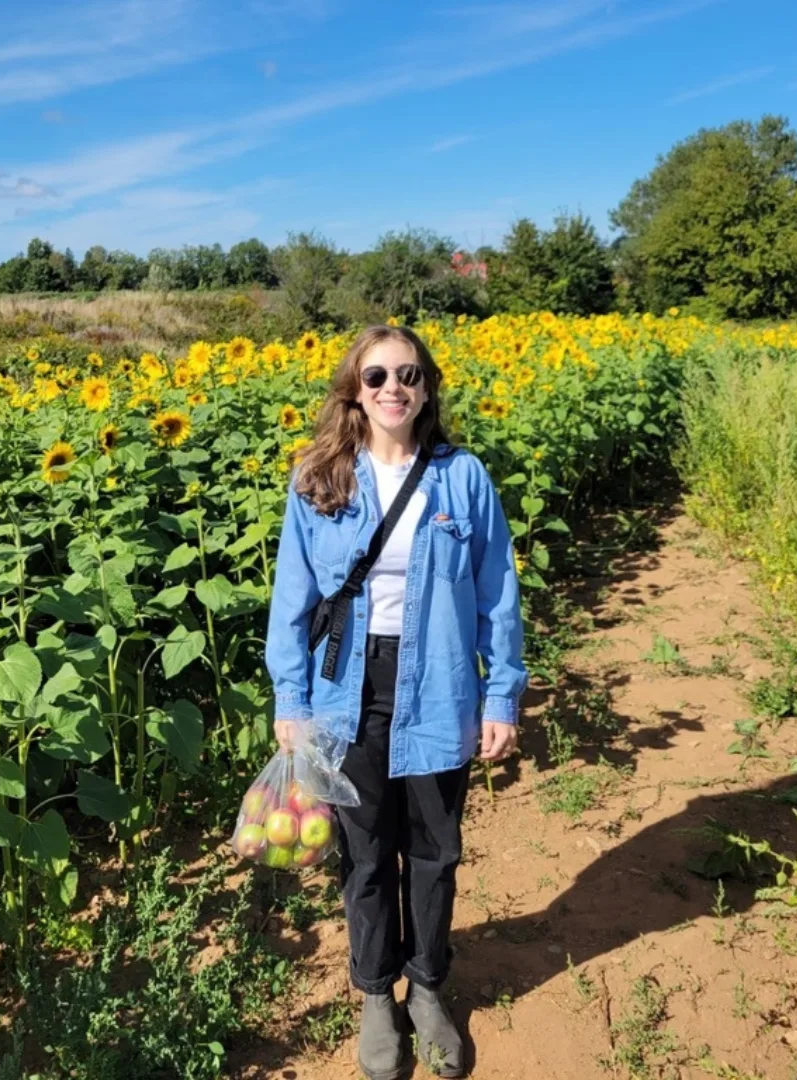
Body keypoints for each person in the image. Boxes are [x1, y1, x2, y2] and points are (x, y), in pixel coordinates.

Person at [265, 324, 527, 1079]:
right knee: (366, 855)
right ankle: (378, 994)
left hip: (442, 682)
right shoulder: (319, 478)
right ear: (354, 387)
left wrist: (502, 694)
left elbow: (497, 592)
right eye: (376, 376)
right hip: (348, 687)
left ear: (427, 387)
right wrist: (291, 696)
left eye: (408, 375)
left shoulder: (462, 476)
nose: (393, 389)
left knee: (436, 853)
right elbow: (293, 597)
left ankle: (430, 991)